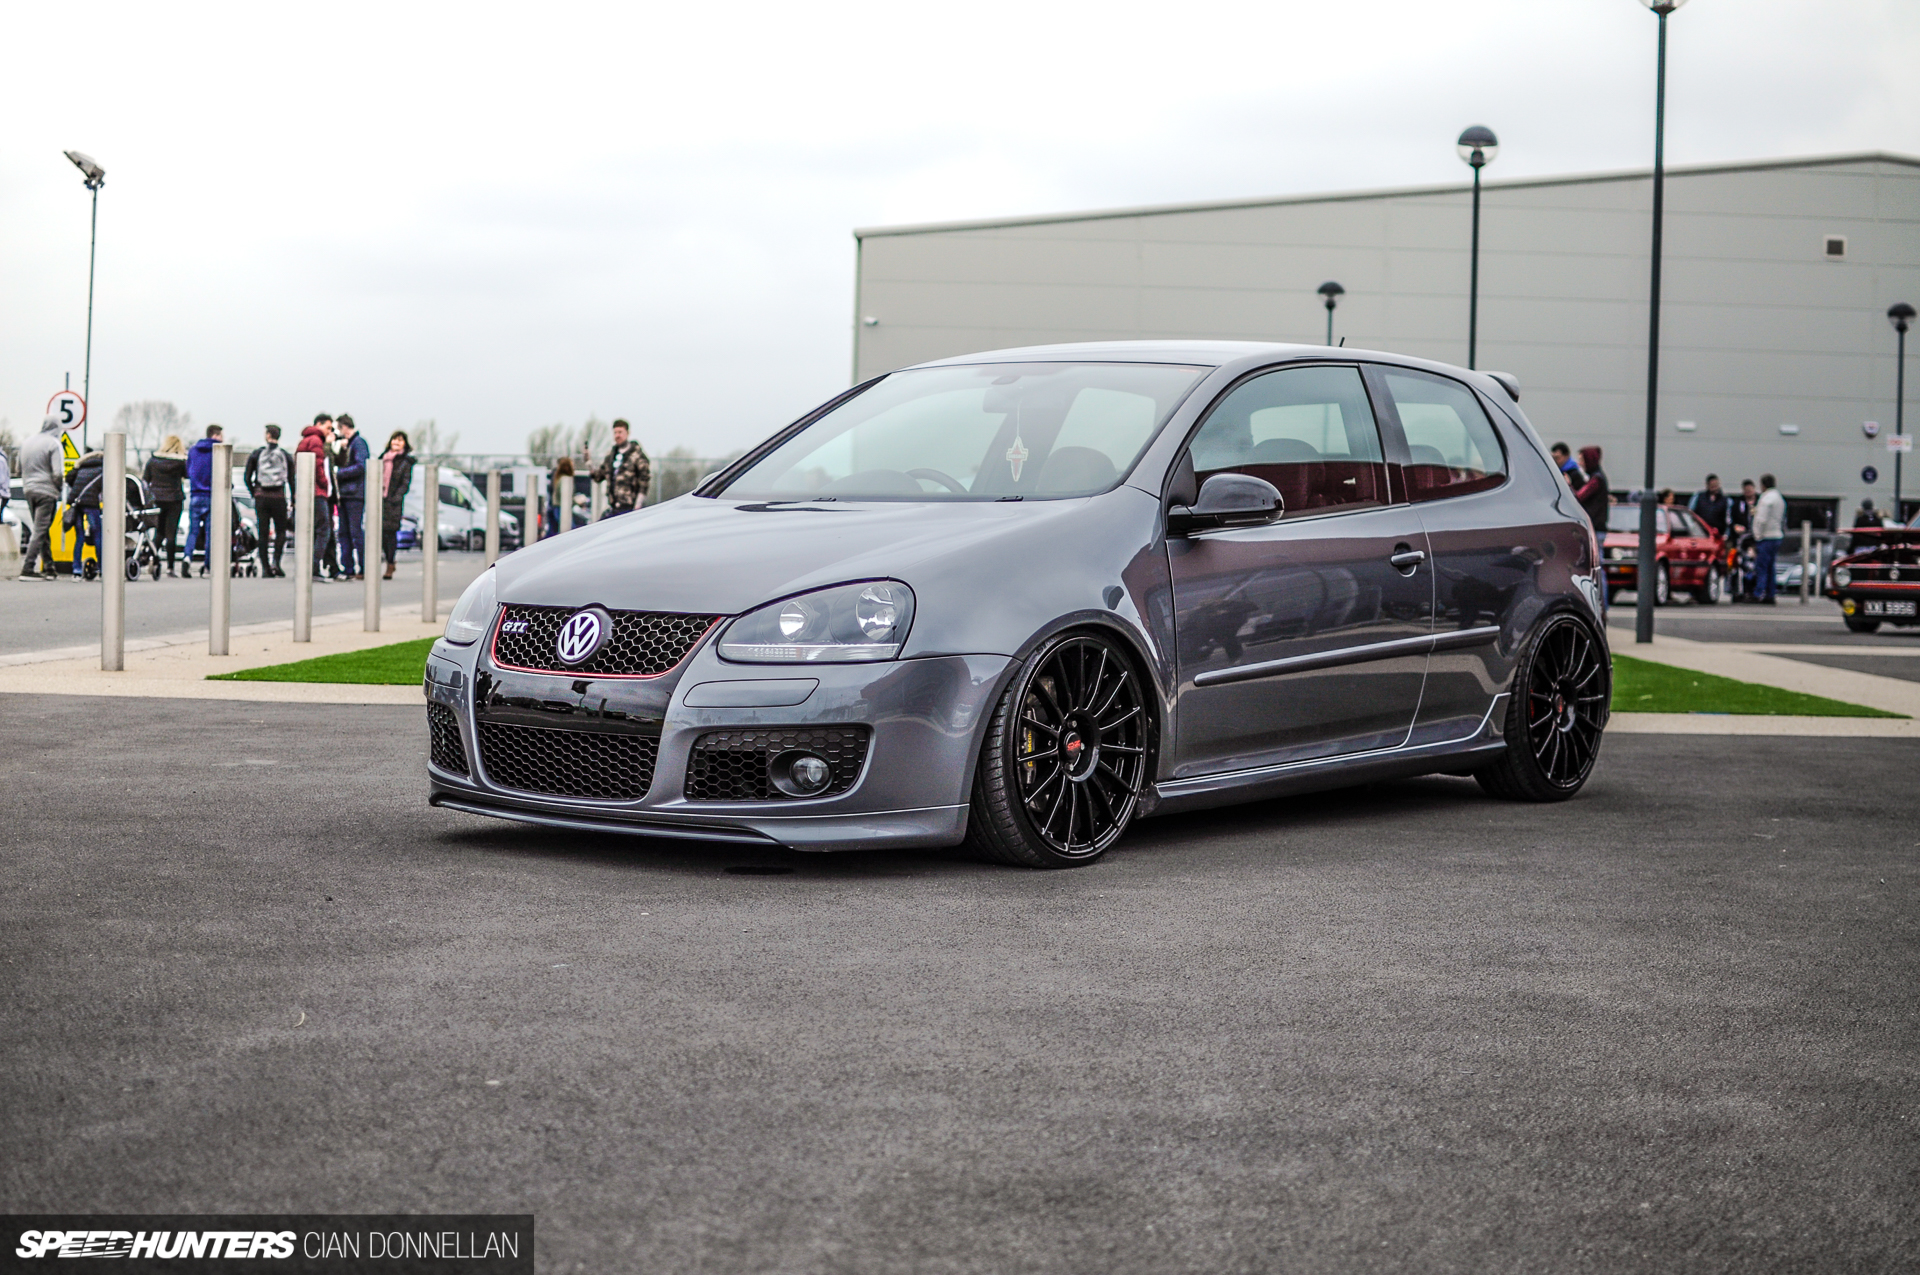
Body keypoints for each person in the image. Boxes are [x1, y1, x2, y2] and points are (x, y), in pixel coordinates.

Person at [19, 415, 66, 579]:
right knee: (39, 530)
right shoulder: (53, 444)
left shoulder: (27, 442)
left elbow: (20, 468)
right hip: (46, 491)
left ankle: (49, 567)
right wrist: (59, 488)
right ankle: (28, 567)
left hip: (28, 490)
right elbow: (58, 472)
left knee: (41, 529)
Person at [245, 424, 293, 576]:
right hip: (278, 497)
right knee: (280, 532)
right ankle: (276, 563)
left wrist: (254, 491)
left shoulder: (257, 454)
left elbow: (247, 477)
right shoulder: (285, 455)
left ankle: (265, 567)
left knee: (263, 533)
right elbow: (291, 479)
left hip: (262, 497)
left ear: (267, 435)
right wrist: (293, 497)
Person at [297, 415, 336, 579]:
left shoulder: (306, 440)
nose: (330, 432)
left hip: (305, 492)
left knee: (311, 530)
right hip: (316, 492)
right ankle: (313, 567)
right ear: (319, 425)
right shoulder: (316, 441)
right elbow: (318, 465)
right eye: (328, 428)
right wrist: (325, 485)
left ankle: (308, 567)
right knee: (324, 530)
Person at [144, 434, 189, 577]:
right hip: (174, 499)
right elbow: (187, 475)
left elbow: (145, 479)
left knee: (159, 532)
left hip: (156, 499)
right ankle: (170, 568)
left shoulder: (153, 461)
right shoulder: (180, 463)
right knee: (171, 533)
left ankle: (152, 558)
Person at [183, 424, 224, 577]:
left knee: (192, 531)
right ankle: (207, 566)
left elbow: (189, 470)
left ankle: (187, 557)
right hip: (212, 495)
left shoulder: (193, 450)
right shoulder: (219, 450)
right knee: (210, 533)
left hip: (195, 495)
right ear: (216, 436)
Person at [333, 413, 369, 580]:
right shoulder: (350, 444)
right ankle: (348, 568)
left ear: (344, 427)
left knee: (354, 532)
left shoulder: (359, 443)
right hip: (346, 494)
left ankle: (362, 567)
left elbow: (361, 466)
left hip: (354, 494)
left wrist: (339, 473)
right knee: (344, 533)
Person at [590, 419, 651, 517]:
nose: (617, 435)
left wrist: (638, 505)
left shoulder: (637, 455)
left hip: (630, 506)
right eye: (615, 433)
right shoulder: (611, 455)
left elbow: (644, 481)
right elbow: (598, 477)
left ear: (627, 433)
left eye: (620, 432)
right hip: (613, 506)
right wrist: (589, 463)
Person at [378, 430, 415, 579]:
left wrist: (395, 499)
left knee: (390, 534)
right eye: (394, 439)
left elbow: (405, 483)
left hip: (393, 503)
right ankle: (388, 561)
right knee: (380, 534)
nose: (396, 443)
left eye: (400, 440)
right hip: (380, 501)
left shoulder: (405, 462)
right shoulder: (383, 458)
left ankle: (390, 563)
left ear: (405, 444)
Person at [65, 448, 105, 579]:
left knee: (80, 536)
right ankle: (102, 568)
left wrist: (77, 466)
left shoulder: (82, 468)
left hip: (75, 503)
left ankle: (76, 570)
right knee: (98, 534)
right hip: (91, 503)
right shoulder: (103, 469)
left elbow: (69, 478)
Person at [1749, 473, 1787, 604]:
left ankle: (1758, 593)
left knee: (1762, 567)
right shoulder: (1779, 498)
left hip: (1766, 537)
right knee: (1771, 567)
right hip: (1776, 535)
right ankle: (1770, 594)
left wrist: (1757, 535)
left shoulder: (1766, 499)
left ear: (1763, 485)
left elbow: (1761, 520)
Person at [1574, 446, 1609, 529]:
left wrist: (1568, 485)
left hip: (1595, 525)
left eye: (1582, 460)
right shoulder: (1597, 477)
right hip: (1597, 524)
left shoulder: (1596, 480)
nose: (1580, 463)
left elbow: (1579, 496)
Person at [547, 456, 575, 537]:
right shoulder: (565, 479)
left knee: (554, 530)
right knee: (569, 528)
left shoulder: (557, 477)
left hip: (555, 505)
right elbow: (563, 494)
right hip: (560, 506)